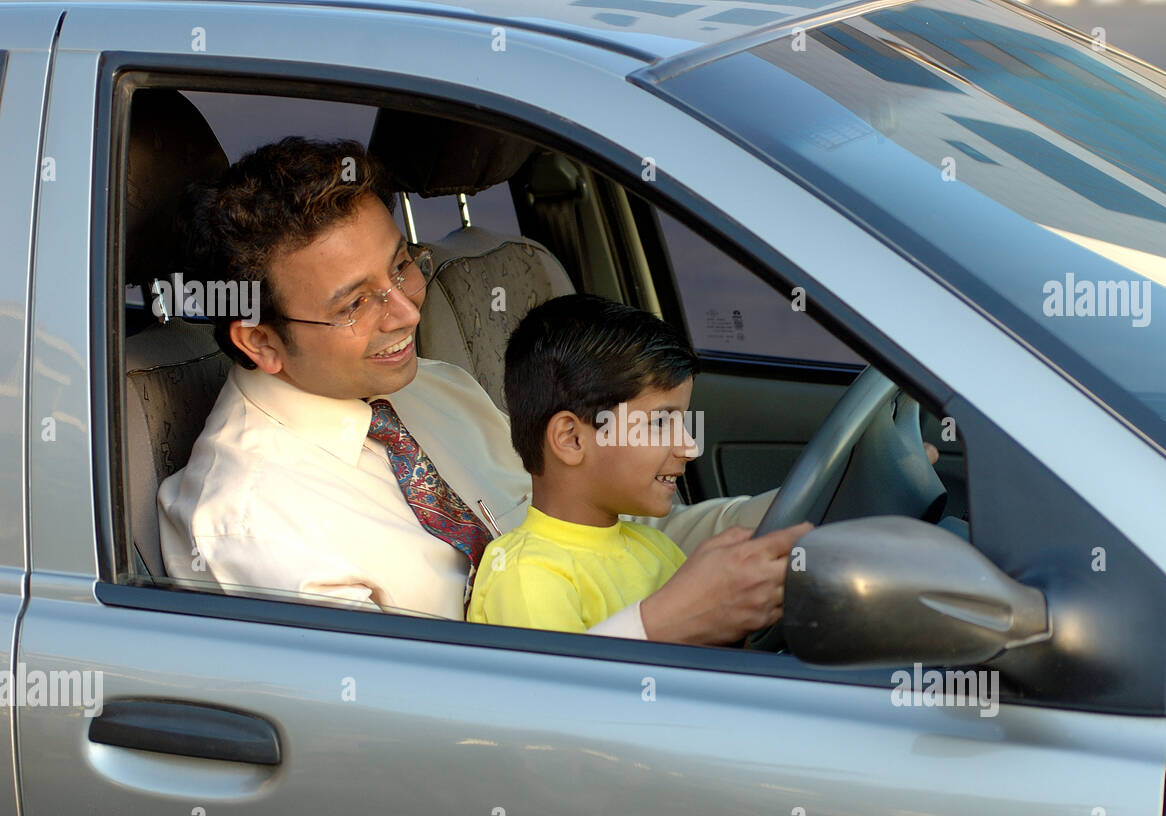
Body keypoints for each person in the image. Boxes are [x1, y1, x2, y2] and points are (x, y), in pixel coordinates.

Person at [157, 137, 807, 645]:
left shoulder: (431, 390)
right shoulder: (254, 527)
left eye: (402, 266)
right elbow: (423, 744)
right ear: (261, 342)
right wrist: (659, 626)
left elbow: (597, 540)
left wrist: (792, 523)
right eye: (357, 303)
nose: (409, 312)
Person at [468, 294, 716, 633]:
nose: (690, 447)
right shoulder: (527, 575)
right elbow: (563, 687)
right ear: (571, 439)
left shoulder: (657, 549)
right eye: (660, 422)